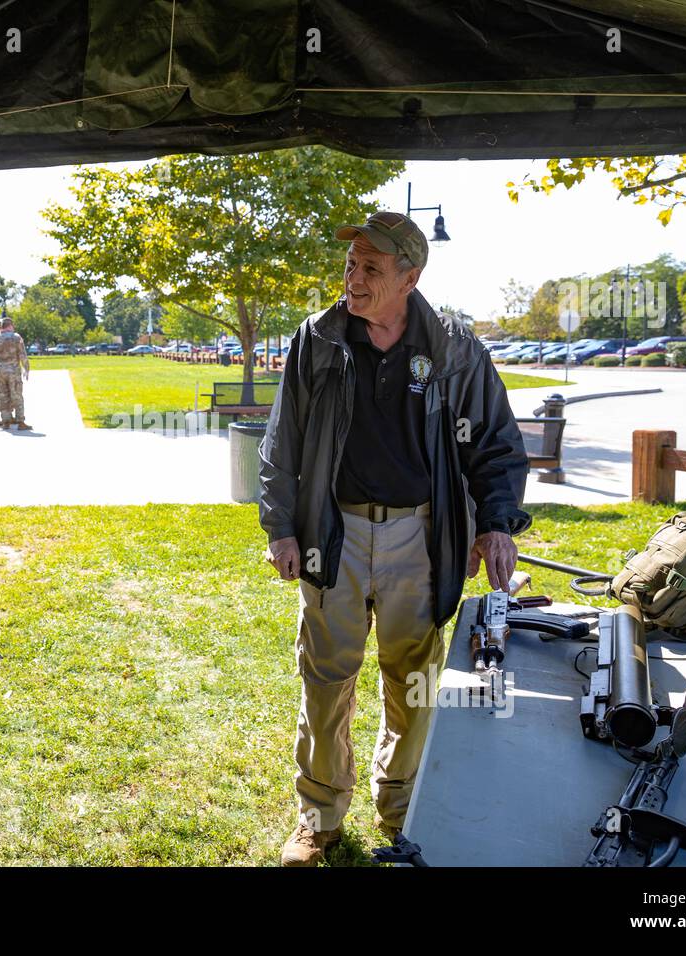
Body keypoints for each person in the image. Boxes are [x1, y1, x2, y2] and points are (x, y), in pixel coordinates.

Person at [258, 210, 530, 867]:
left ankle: (402, 807)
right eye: (350, 265)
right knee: (325, 681)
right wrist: (281, 527)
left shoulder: (456, 350)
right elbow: (283, 441)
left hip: (420, 536)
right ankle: (319, 818)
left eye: (371, 269)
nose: (353, 278)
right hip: (336, 532)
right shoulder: (317, 340)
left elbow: (493, 443)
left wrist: (494, 522)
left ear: (411, 276)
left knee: (413, 683)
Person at [0, 317, 31, 430]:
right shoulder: (16, 337)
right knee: (17, 395)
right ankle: (20, 421)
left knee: (3, 396)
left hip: (0, 372)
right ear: (10, 325)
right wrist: (26, 368)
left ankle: (5, 421)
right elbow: (22, 355)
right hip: (13, 371)